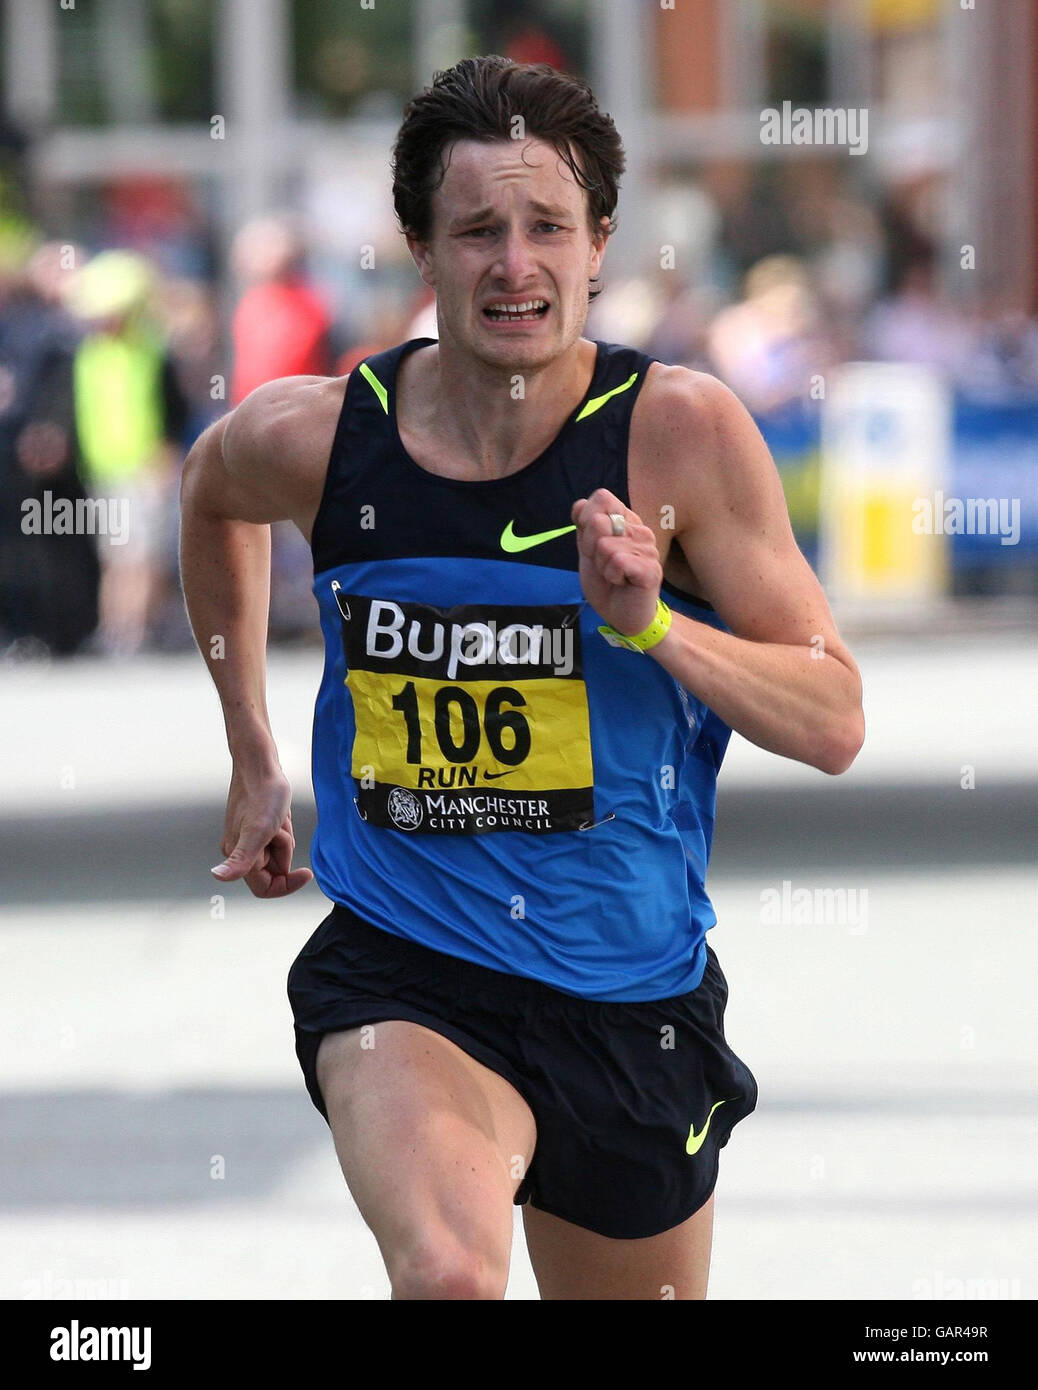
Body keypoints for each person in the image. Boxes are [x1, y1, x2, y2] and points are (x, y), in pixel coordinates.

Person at [179, 55, 864, 1300]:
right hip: (405, 962)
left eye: (548, 226)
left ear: (599, 243)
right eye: (477, 230)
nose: (514, 263)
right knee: (448, 1274)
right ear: (419, 250)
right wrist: (252, 752)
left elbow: (833, 719)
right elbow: (210, 492)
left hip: (627, 995)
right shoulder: (326, 437)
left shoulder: (682, 434)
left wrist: (657, 626)